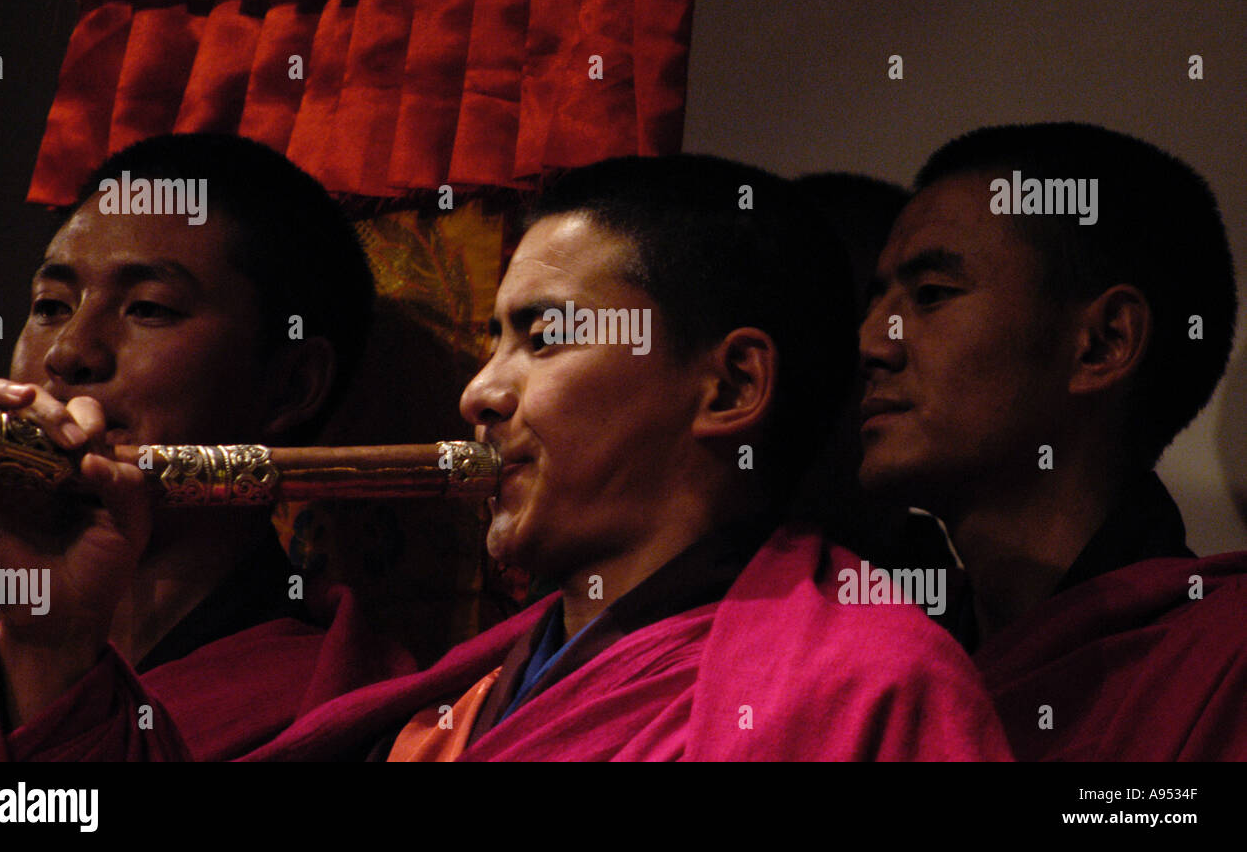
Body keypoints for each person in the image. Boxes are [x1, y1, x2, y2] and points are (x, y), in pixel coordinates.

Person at [232, 154, 1009, 761]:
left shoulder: (867, 687)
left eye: (545, 339)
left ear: (732, 386)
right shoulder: (460, 701)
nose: (479, 393)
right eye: (493, 343)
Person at [0, 133, 413, 760]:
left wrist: (52, 652)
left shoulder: (351, 714)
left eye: (149, 309)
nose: (68, 353)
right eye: (51, 305)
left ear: (290, 386)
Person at [858, 122, 1245, 760]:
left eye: (931, 296)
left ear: (1103, 343)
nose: (873, 343)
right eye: (876, 304)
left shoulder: (1223, 660)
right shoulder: (886, 671)